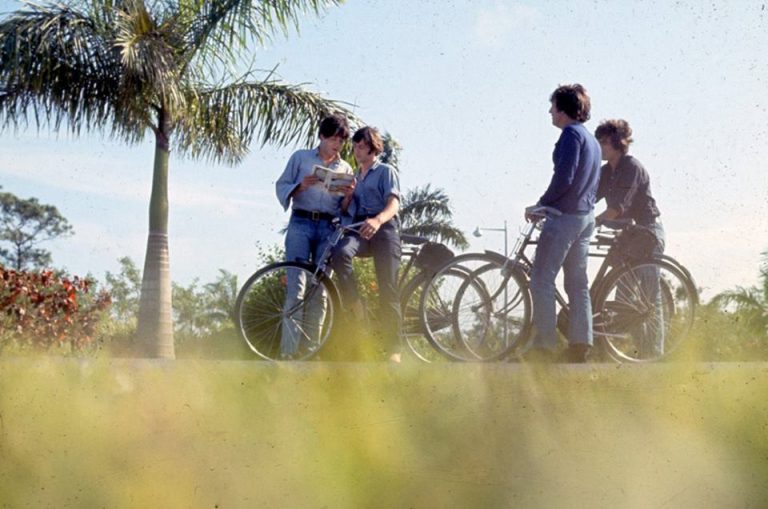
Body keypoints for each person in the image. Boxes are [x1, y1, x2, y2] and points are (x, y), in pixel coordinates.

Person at [524, 84, 601, 363]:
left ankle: (543, 345)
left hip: (565, 216)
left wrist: (542, 204)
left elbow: (564, 178)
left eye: (553, 106)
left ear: (564, 109)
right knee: (577, 283)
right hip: (585, 217)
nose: (550, 111)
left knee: (541, 279)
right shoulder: (591, 140)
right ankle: (581, 344)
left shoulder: (570, 135)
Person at [275, 114, 353, 357]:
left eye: (340, 141)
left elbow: (343, 209)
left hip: (328, 227)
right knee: (296, 287)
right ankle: (288, 353)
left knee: (319, 289)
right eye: (332, 139)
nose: (336, 145)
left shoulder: (345, 168)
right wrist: (301, 186)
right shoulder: (300, 158)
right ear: (321, 136)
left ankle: (309, 352)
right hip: (301, 222)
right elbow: (281, 185)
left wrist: (349, 194)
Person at [594, 119, 665, 357]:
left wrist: (592, 223)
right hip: (629, 236)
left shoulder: (631, 167)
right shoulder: (606, 172)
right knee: (624, 298)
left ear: (618, 143)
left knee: (648, 297)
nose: (599, 147)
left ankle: (654, 354)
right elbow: (590, 197)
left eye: (603, 142)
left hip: (647, 233)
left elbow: (617, 208)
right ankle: (635, 355)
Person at [331, 126, 402, 359]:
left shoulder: (385, 171)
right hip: (360, 229)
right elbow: (346, 208)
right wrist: (349, 196)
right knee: (340, 252)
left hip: (384, 230)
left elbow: (394, 203)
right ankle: (357, 306)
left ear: (372, 149)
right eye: (355, 146)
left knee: (387, 288)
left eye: (361, 147)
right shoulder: (353, 177)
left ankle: (394, 350)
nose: (357, 151)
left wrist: (378, 220)